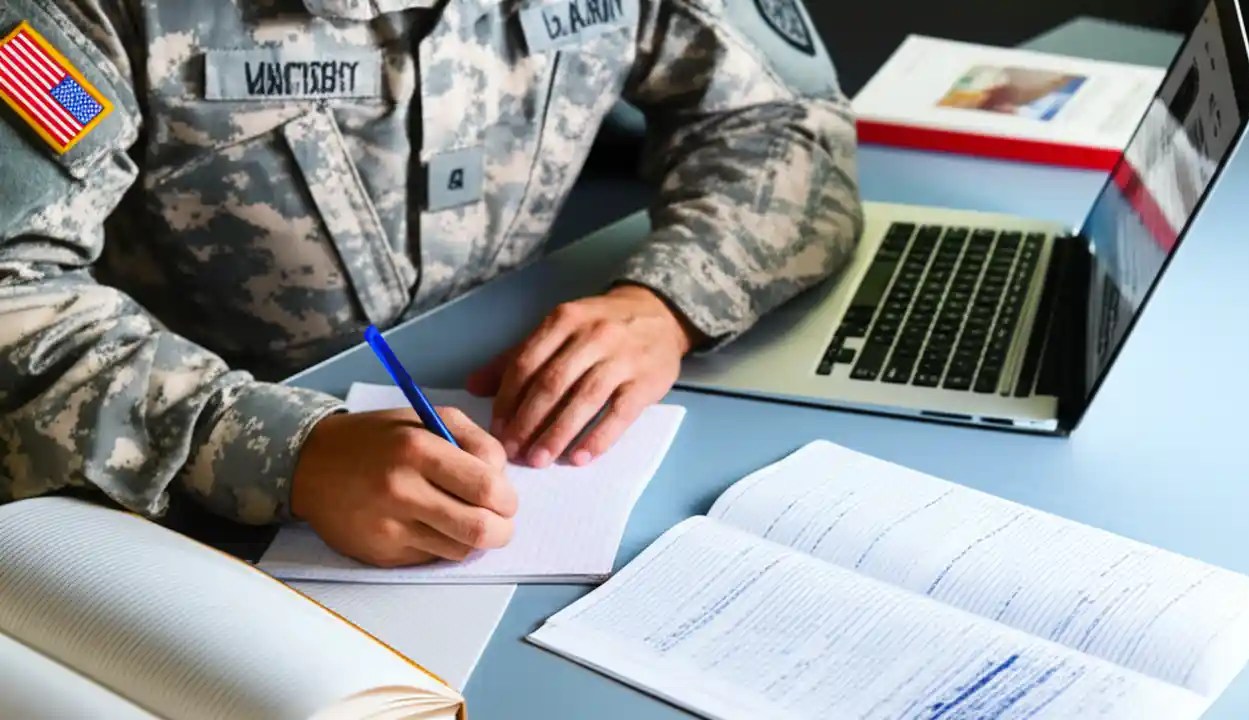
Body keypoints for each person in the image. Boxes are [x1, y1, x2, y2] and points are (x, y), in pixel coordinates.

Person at [0, 0, 861, 567]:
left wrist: (668, 299)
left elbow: (786, 118)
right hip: (174, 515)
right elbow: (12, 291)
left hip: (522, 424)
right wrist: (281, 452)